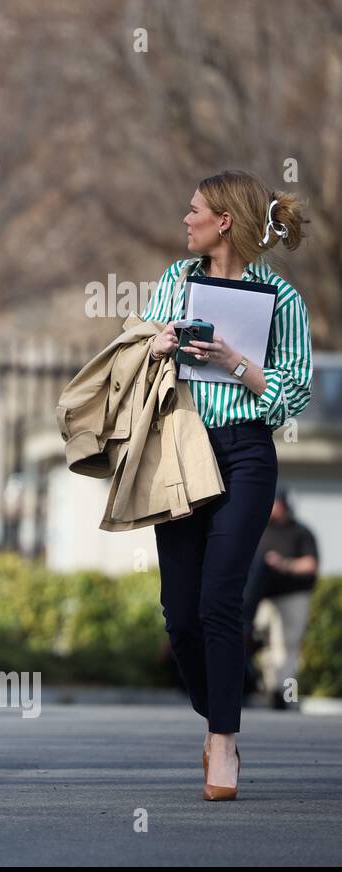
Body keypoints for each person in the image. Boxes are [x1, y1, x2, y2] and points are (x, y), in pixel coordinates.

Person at [142, 169, 312, 800]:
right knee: (180, 616)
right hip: (181, 451)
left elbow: (293, 392)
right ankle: (216, 711)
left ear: (225, 223)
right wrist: (156, 344)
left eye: (195, 212)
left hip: (245, 455)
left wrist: (238, 363)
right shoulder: (175, 281)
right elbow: (135, 351)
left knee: (221, 600)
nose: (184, 220)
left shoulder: (282, 300)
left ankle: (223, 744)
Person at [244, 488, 318, 708]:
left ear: (283, 505)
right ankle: (268, 689)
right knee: (257, 641)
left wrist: (284, 564)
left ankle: (283, 696)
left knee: (286, 645)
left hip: (292, 596)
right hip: (264, 598)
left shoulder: (300, 532)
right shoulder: (261, 529)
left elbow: (310, 565)